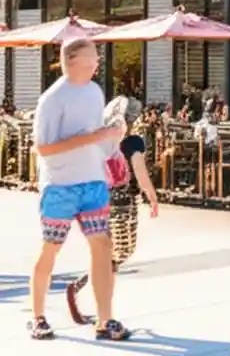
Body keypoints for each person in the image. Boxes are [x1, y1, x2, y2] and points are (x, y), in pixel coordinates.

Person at [28, 38, 130, 341]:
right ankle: (38, 316)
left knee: (103, 246)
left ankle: (105, 319)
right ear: (69, 60)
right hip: (60, 184)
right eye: (90, 58)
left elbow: (95, 135)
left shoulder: (95, 91)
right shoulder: (52, 98)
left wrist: (113, 140)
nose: (97, 62)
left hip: (92, 181)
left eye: (96, 57)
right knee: (51, 249)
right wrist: (95, 136)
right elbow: (44, 148)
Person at [66, 97, 159, 325]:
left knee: (106, 252)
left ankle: (94, 300)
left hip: (100, 200)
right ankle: (94, 301)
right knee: (121, 252)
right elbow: (139, 170)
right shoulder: (133, 141)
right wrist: (152, 196)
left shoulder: (102, 137)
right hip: (123, 202)